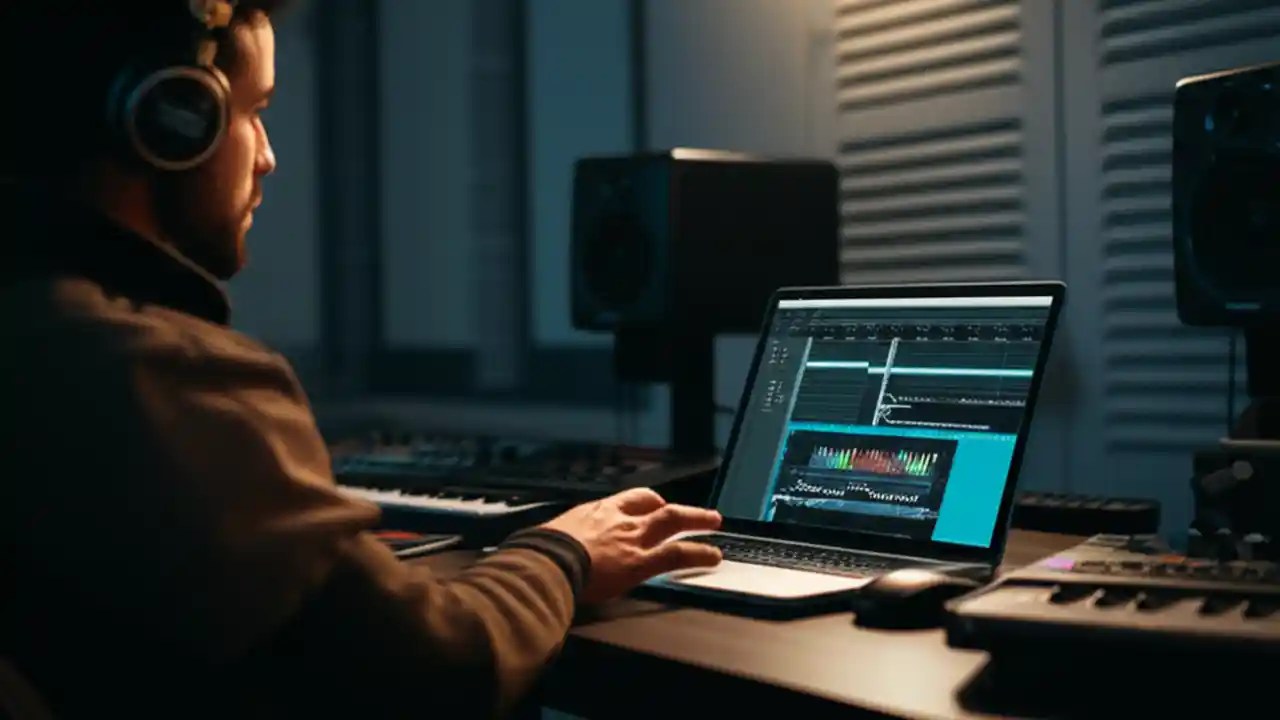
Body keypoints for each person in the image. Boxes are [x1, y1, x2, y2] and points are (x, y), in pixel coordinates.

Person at [0, 2, 723, 718]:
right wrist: (563, 550)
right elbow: (439, 672)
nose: (268, 154)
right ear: (172, 120)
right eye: (254, 111)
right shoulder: (150, 374)